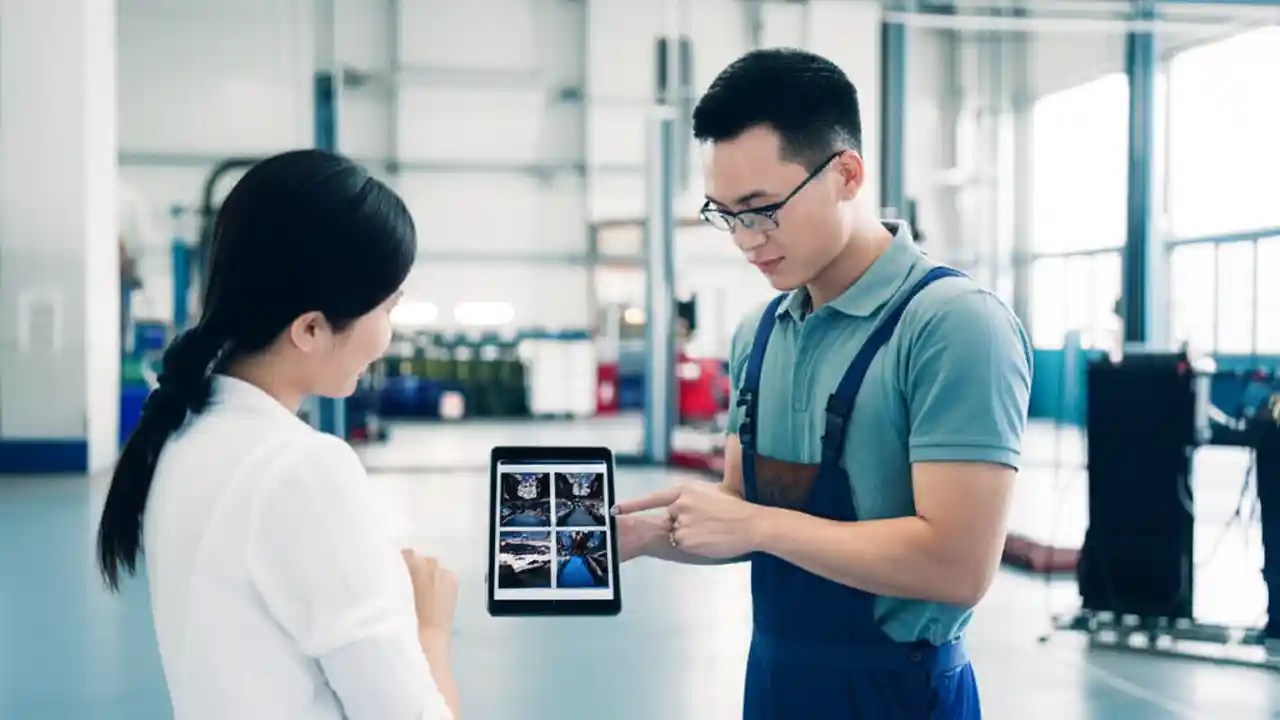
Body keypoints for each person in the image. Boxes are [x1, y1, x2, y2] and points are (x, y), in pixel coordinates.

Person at [613, 48, 1032, 718]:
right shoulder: (759, 333)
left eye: (761, 208)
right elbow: (739, 509)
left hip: (897, 694)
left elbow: (957, 566)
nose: (747, 239)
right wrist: (642, 533)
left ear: (846, 174)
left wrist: (756, 522)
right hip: (777, 683)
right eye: (725, 214)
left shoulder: (952, 326)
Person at [96, 150, 461, 720]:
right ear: (310, 329)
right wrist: (431, 627)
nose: (387, 335)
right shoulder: (303, 469)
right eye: (387, 309)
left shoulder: (185, 434)